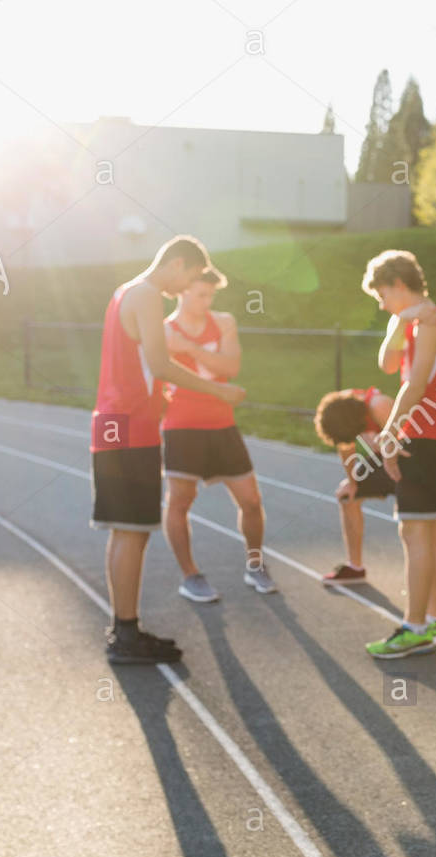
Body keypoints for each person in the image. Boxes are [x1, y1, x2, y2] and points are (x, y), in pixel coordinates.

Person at [91, 236, 245, 665]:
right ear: (177, 264)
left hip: (114, 421)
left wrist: (157, 397)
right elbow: (159, 364)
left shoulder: (125, 291)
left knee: (129, 530)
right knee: (131, 530)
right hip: (127, 426)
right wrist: (218, 390)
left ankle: (125, 628)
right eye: (191, 279)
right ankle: (124, 634)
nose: (185, 290)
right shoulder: (145, 295)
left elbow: (139, 365)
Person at [359, 250, 436, 659]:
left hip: (425, 436)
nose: (382, 304)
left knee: (415, 531)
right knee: (431, 530)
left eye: (384, 296)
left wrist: (388, 433)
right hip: (430, 435)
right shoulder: (413, 323)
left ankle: (415, 625)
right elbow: (386, 364)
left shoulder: (433, 323)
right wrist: (399, 320)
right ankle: (433, 619)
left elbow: (415, 385)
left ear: (399, 285)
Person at [159, 266, 276, 602]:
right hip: (182, 424)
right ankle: (190, 576)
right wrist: (184, 346)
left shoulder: (223, 322)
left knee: (251, 501)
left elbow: (231, 368)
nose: (207, 301)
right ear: (182, 292)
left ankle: (255, 565)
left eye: (211, 295)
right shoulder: (164, 331)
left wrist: (190, 348)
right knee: (180, 501)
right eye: (200, 295)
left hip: (222, 423)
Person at [313, 385, 397, 585]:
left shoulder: (379, 406)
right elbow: (346, 448)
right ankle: (355, 567)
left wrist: (381, 443)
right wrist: (353, 483)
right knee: (346, 497)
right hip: (382, 457)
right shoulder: (340, 414)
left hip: (408, 458)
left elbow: (410, 441)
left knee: (411, 520)